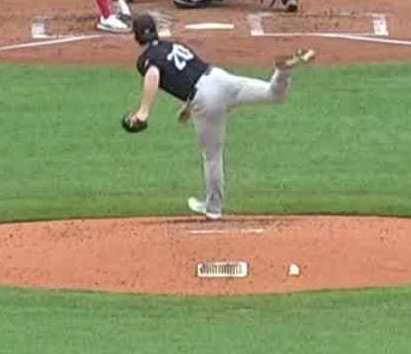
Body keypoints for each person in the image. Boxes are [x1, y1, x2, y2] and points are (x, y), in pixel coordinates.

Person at [121, 13, 314, 221]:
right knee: (272, 94)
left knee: (212, 155)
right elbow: (190, 71)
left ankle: (213, 208)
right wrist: (188, 108)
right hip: (220, 78)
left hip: (205, 99)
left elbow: (154, 74)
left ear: (137, 37)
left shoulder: (146, 59)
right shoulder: (174, 45)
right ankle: (282, 72)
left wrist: (143, 111)